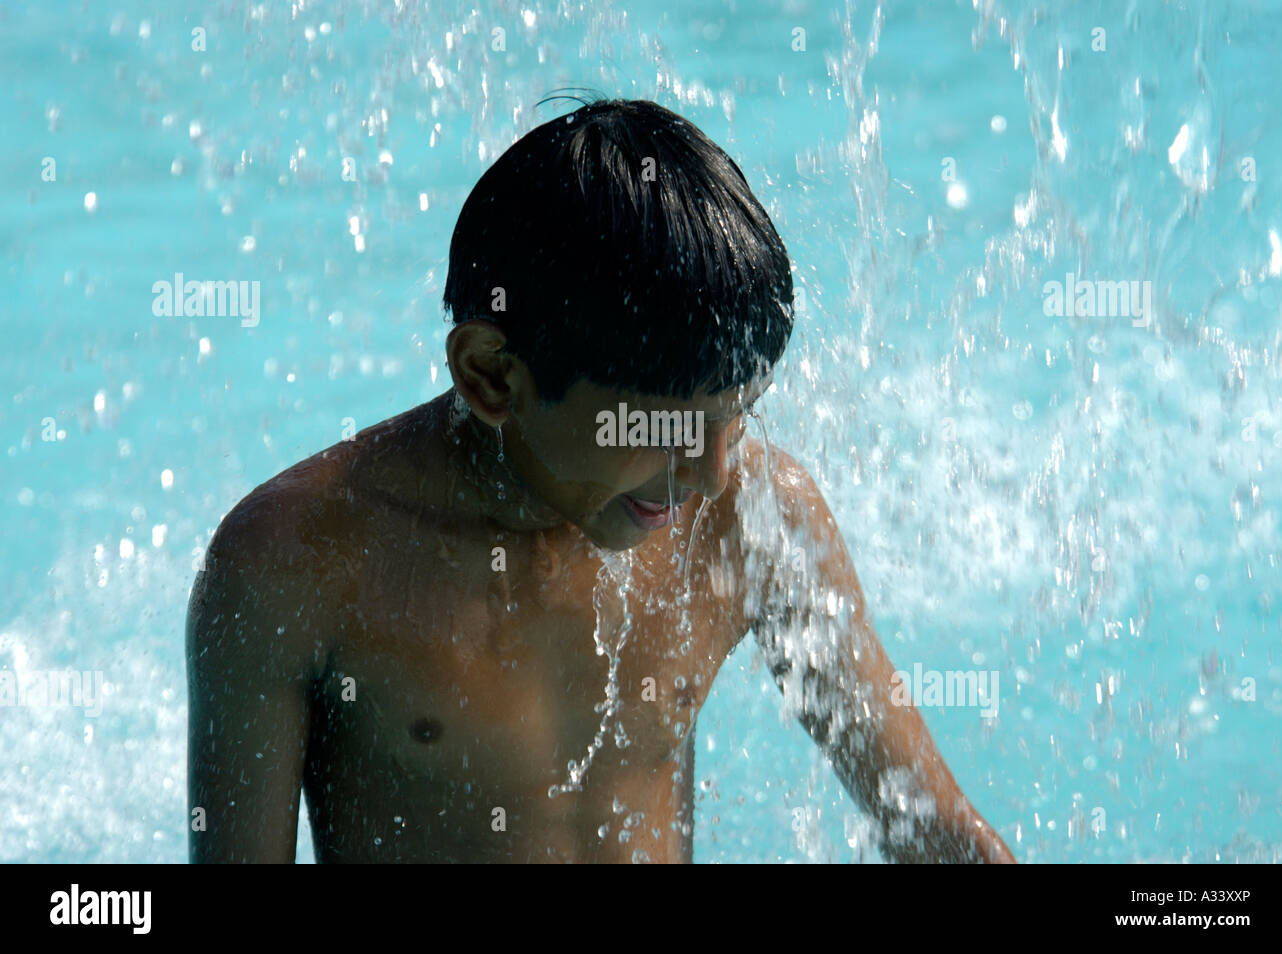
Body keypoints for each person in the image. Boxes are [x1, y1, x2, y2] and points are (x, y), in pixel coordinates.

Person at [187, 97, 1015, 863]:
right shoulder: (295, 565)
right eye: (666, 429)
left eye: (740, 417)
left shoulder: (756, 518)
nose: (714, 472)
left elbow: (932, 831)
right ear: (492, 376)